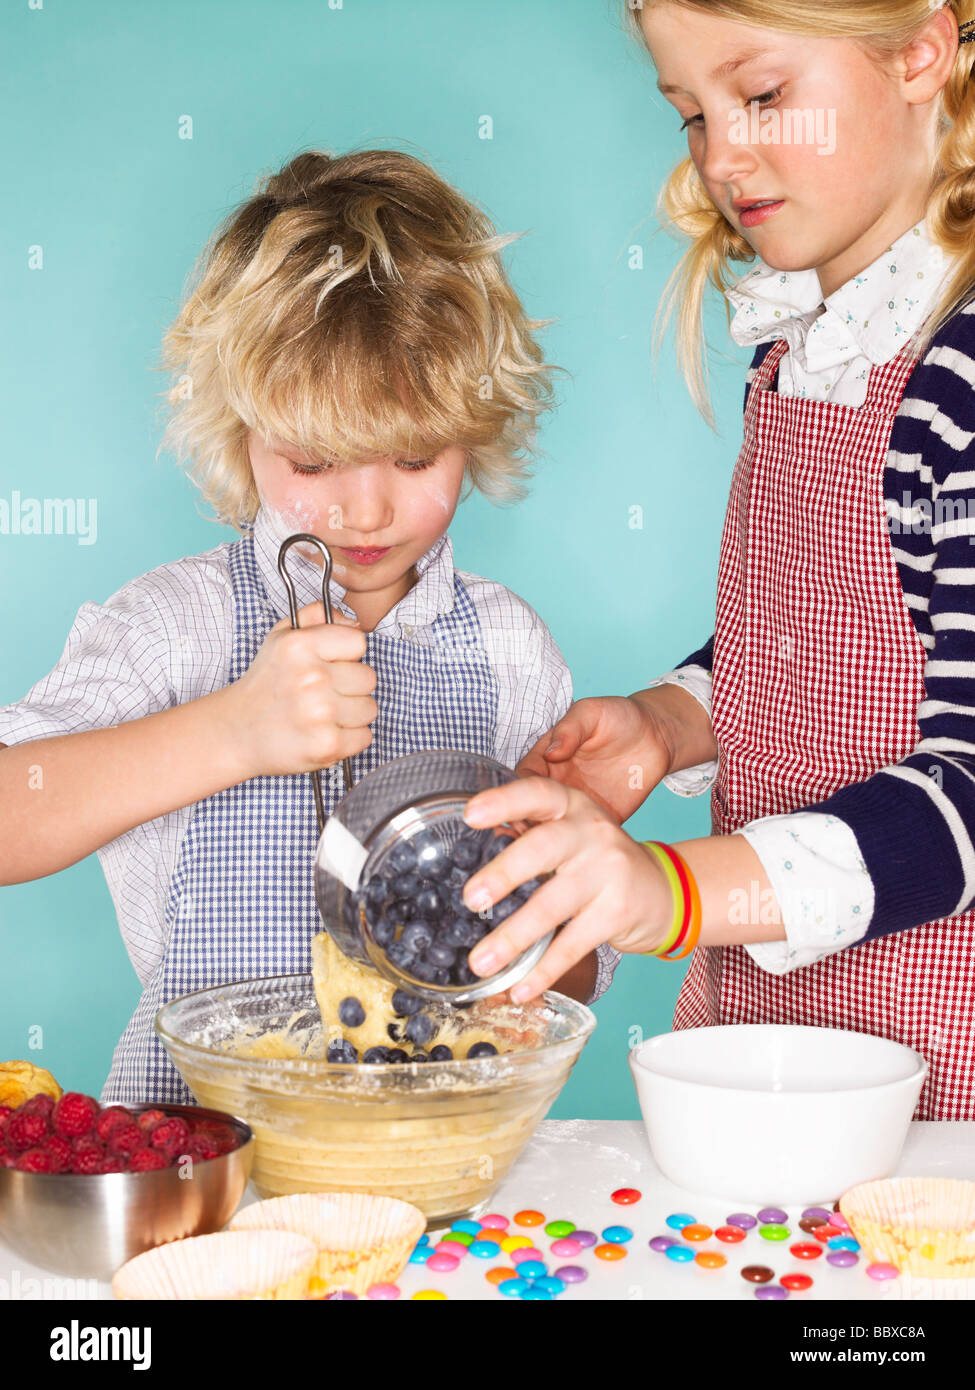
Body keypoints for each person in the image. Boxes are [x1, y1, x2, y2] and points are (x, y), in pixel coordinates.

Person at [0, 148, 621, 1104]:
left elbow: (556, 977)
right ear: (240, 432)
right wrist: (234, 729)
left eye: (412, 457)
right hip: (195, 1155)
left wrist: (554, 893)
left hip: (429, 1152)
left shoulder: (511, 653)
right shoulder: (180, 627)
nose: (363, 512)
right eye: (315, 460)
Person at [459, 0, 975, 1121]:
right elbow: (834, 634)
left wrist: (674, 891)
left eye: (764, 96)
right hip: (773, 1035)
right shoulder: (800, 351)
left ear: (920, 50)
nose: (720, 157)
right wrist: (673, 718)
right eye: (691, 113)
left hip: (948, 1076)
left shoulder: (962, 385)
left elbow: (969, 786)